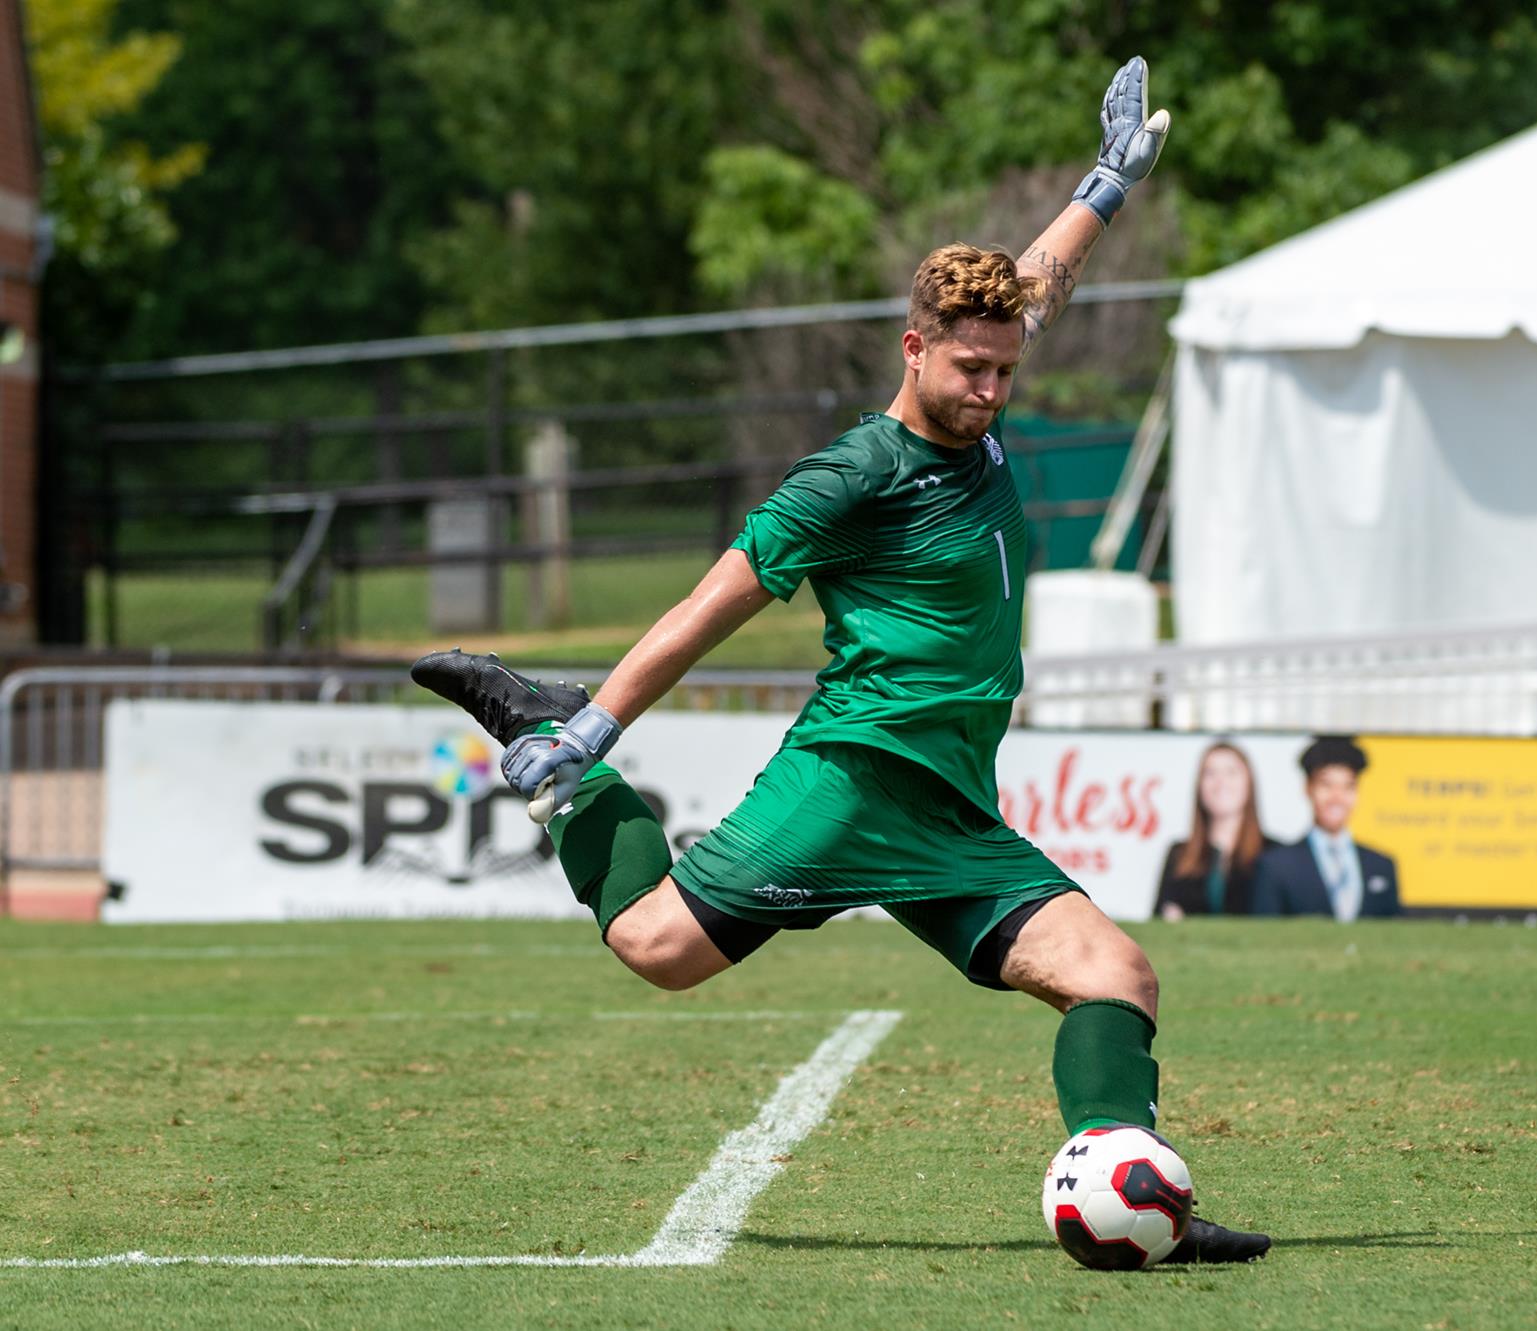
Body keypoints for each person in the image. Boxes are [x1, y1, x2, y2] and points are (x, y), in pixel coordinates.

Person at [412, 59, 1267, 1265]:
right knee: (655, 948)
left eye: (1003, 369)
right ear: (913, 349)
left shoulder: (985, 390)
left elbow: (1038, 286)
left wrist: (1108, 185)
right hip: (853, 775)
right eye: (967, 367)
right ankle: (547, 743)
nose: (988, 387)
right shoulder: (852, 474)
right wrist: (594, 726)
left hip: (951, 804)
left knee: (1116, 972)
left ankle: (1135, 1196)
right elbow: (712, 602)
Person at [1251, 735, 1400, 920]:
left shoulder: (1381, 866)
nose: (1337, 797)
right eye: (1326, 785)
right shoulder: (1276, 867)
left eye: (1348, 786)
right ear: (1307, 788)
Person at [1153, 741, 1265, 919]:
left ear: (1249, 783)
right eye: (1210, 773)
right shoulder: (1179, 855)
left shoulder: (1274, 855)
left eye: (1231, 772)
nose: (1221, 782)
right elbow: (1161, 919)